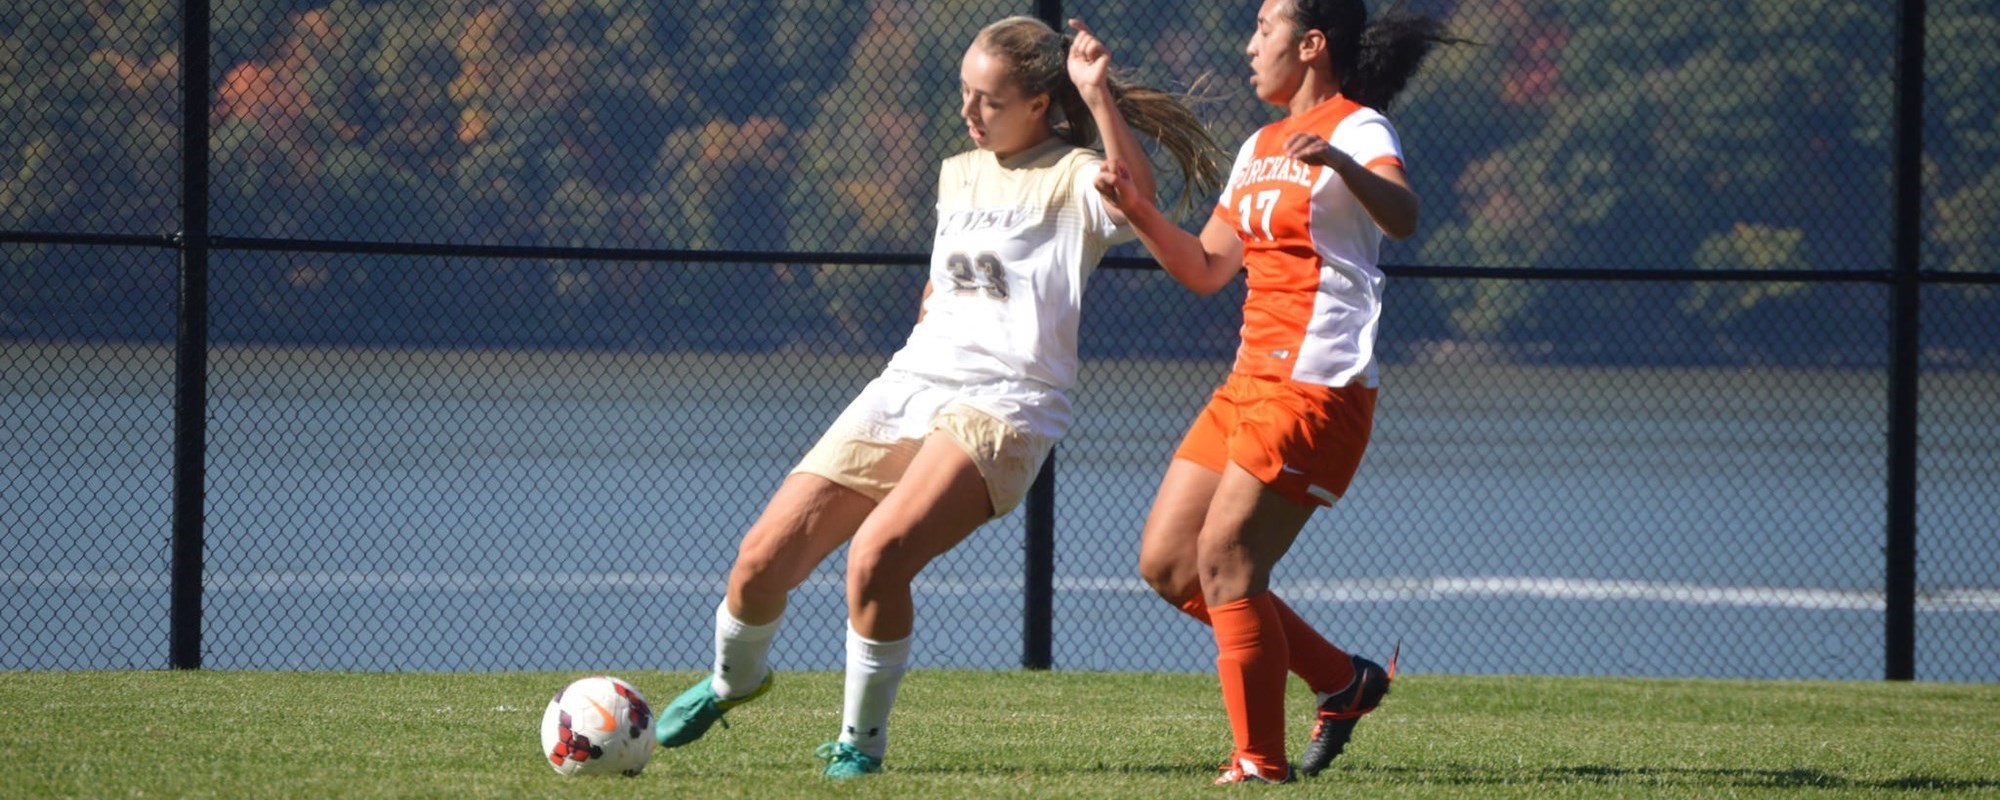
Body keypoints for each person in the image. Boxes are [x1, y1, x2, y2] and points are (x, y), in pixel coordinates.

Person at [651, 16, 1225, 779]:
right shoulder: (958, 171)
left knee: (877, 557)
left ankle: (860, 746)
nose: (969, 111)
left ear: (1040, 104)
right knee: (759, 562)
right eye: (964, 93)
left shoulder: (1074, 174)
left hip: (1009, 402)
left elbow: (1138, 200)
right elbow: (951, 280)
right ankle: (734, 682)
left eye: (989, 100)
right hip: (912, 381)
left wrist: (1097, 95)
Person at [1091, 0, 1460, 785]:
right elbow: (1206, 269)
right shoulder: (1258, 146)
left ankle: (1259, 764)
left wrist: (1343, 166)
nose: (1250, 45)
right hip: (1249, 380)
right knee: (1170, 565)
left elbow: (1403, 216)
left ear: (1312, 44)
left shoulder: (1359, 127)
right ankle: (1342, 680)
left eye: (1265, 28)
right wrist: (1138, 212)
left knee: (1226, 558)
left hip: (1317, 381)